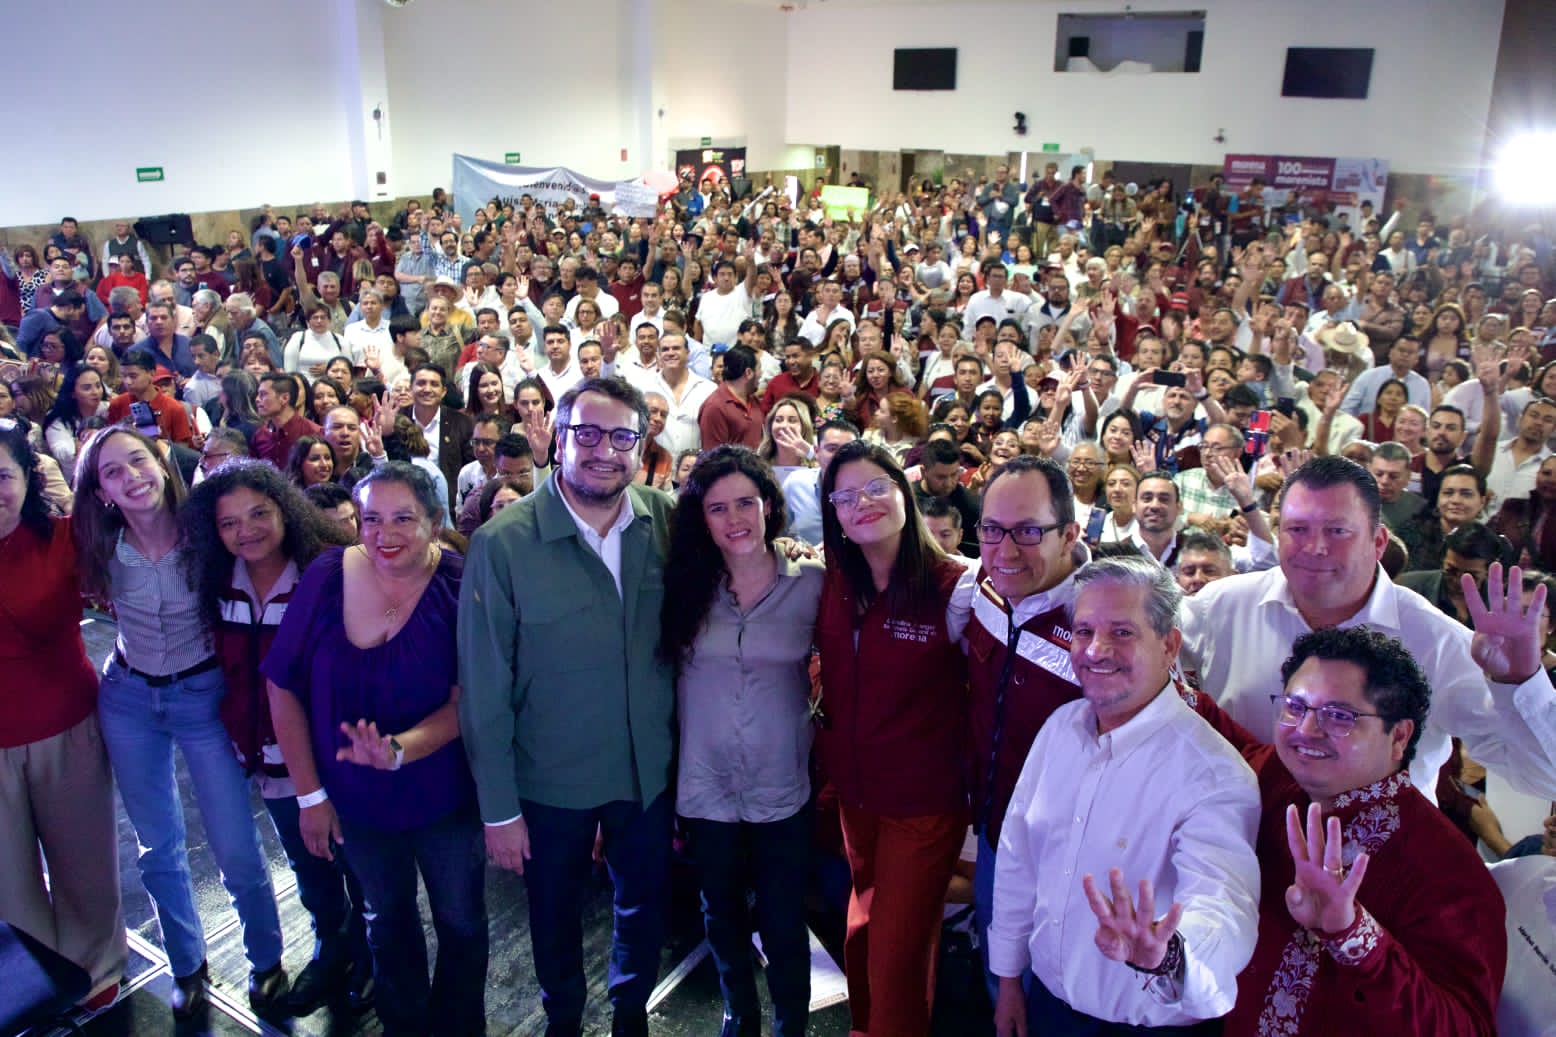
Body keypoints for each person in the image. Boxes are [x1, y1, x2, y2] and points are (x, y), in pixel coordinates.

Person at [459, 377, 674, 1037]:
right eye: (586, 433)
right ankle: (563, 1016)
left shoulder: (666, 520)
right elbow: (483, 688)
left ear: (641, 447)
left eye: (621, 436)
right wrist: (498, 809)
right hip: (549, 776)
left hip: (647, 767)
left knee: (643, 900)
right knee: (552, 909)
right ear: (556, 436)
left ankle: (630, 1007)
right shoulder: (504, 543)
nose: (602, 450)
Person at [1180, 455, 1556, 801]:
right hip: (1236, 847)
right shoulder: (1222, 606)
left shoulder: (1436, 642)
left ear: (1378, 542)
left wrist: (1520, 682)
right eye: (1297, 529)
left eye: (1337, 531)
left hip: (1375, 861)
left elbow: (1544, 778)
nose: (1314, 547)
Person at [991, 555, 1260, 1035]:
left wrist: (1170, 951)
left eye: (1122, 632)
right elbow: (1019, 858)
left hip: (1146, 1024)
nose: (1096, 650)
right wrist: (1009, 978)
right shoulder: (1059, 730)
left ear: (1170, 645)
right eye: (1083, 631)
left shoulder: (1214, 775)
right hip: (1050, 1004)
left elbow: (1224, 904)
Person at [263, 462, 487, 1035]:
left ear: (436, 522)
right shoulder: (326, 575)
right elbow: (281, 683)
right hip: (354, 799)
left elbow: (470, 701)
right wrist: (310, 795)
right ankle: (404, 1024)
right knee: (385, 921)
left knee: (460, 922)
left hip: (442, 794)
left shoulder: (462, 583)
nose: (384, 535)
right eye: (370, 520)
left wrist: (397, 751)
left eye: (403, 519)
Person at [71, 426, 286, 1019]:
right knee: (157, 848)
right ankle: (186, 965)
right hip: (130, 696)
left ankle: (266, 960)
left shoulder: (207, 531)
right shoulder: (98, 541)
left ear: (160, 460)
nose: (130, 477)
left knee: (236, 844)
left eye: (136, 461)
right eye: (112, 472)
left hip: (203, 695)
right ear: (102, 491)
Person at [1221, 625, 1508, 1036]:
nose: (1304, 731)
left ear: (1400, 736)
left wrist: (1354, 936)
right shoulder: (1275, 778)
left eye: (1339, 717)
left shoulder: (1448, 872)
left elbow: (1464, 1029)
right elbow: (1223, 738)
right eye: (1295, 707)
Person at [178, 460, 374, 1016]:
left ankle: (370, 956)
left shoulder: (327, 578)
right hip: (265, 761)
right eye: (229, 523)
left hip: (332, 761)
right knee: (309, 867)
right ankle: (330, 947)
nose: (246, 531)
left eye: (259, 513)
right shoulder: (217, 585)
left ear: (286, 510)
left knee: (357, 866)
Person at [659, 446, 824, 1037]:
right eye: (718, 507)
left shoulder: (812, 584)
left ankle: (789, 1022)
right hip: (704, 784)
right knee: (720, 913)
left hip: (782, 781)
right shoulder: (681, 588)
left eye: (746, 503)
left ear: (770, 506)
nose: (735, 519)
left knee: (783, 918)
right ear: (701, 518)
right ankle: (740, 1012)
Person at [816, 440, 973, 1037]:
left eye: (877, 487)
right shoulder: (831, 582)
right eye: (846, 496)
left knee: (897, 952)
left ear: (903, 493)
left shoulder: (955, 589)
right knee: (860, 928)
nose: (864, 504)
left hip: (923, 805)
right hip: (858, 797)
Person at [0, 424, 126, 1010]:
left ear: (28, 479)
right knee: (8, 874)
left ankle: (96, 968)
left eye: (3, 476)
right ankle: (32, 975)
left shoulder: (62, 538)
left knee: (84, 860)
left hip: (65, 725)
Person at [961, 455, 1087, 1001]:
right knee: (1001, 980)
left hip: (1073, 859)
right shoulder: (983, 590)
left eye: (1029, 531)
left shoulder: (1102, 622)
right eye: (992, 530)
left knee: (1060, 997)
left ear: (1070, 534)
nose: (1006, 551)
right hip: (996, 837)